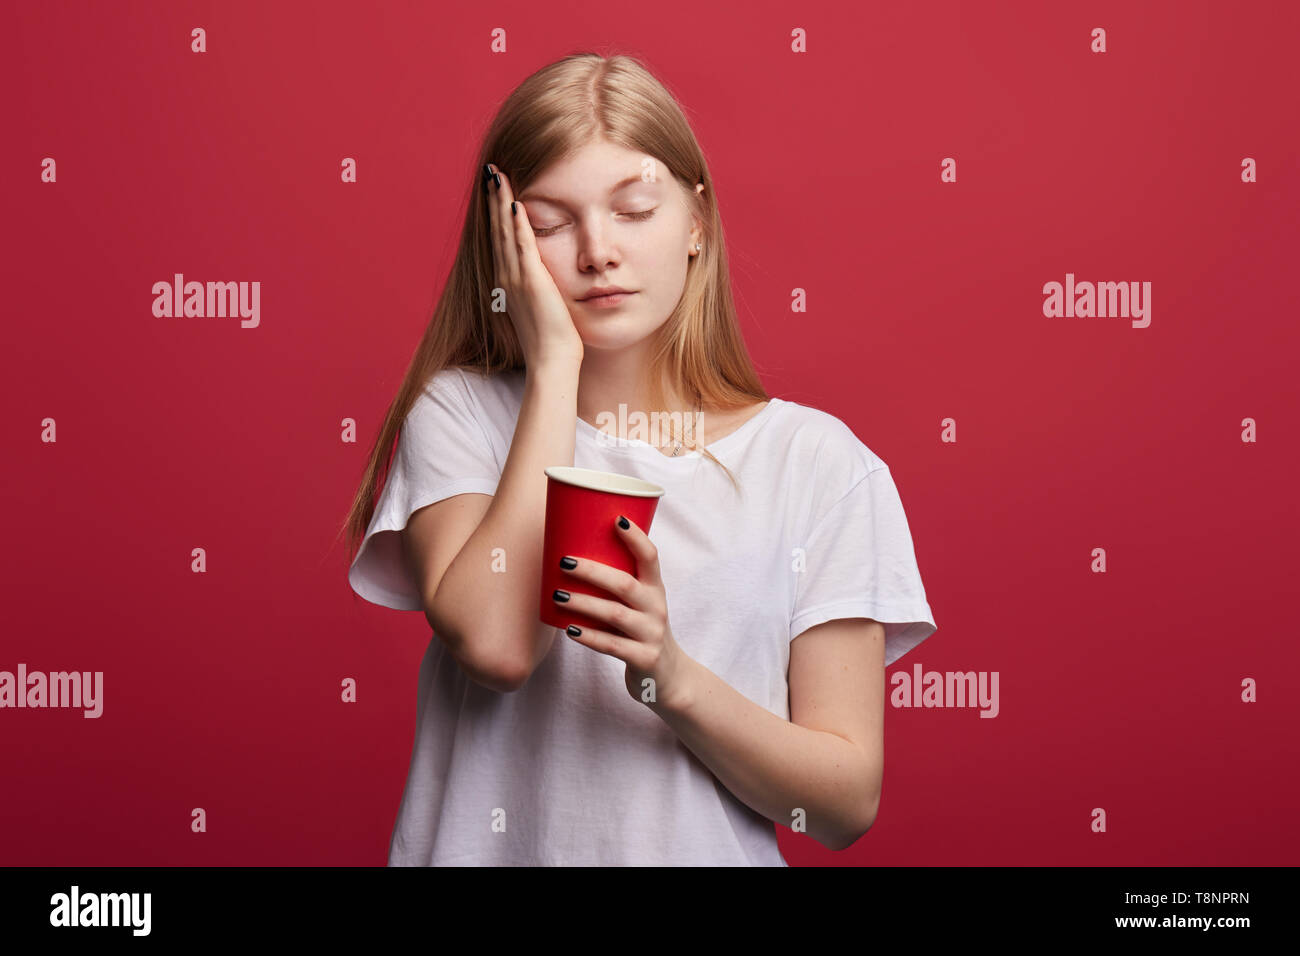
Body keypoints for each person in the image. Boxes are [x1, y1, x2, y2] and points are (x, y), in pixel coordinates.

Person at [340, 52, 937, 866]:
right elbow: (498, 648)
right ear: (505, 245)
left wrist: (671, 674)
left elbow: (841, 805)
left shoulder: (817, 465)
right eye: (550, 222)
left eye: (634, 209)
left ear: (696, 222)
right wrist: (554, 368)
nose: (597, 252)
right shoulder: (463, 416)